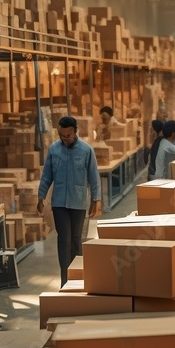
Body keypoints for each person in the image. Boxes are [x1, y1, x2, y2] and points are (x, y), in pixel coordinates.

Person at [38, 115, 102, 286]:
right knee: (63, 239)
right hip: (59, 202)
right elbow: (46, 176)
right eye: (62, 136)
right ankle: (65, 279)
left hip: (78, 201)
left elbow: (94, 177)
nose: (65, 139)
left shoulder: (86, 150)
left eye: (68, 136)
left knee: (75, 239)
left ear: (75, 133)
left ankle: (77, 277)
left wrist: (97, 199)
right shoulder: (53, 150)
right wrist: (41, 195)